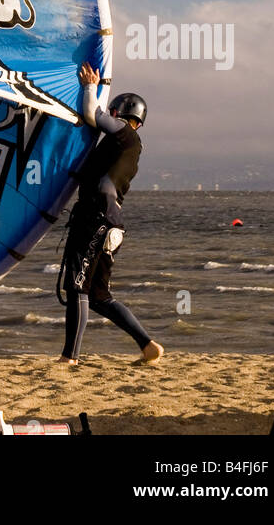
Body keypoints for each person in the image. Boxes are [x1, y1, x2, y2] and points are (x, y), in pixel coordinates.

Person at [56, 63, 163, 367]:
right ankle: (147, 344)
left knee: (77, 286)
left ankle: (70, 358)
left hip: (95, 218)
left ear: (121, 114)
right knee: (99, 295)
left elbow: (93, 115)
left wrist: (90, 86)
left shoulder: (123, 134)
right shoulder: (132, 148)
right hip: (114, 224)